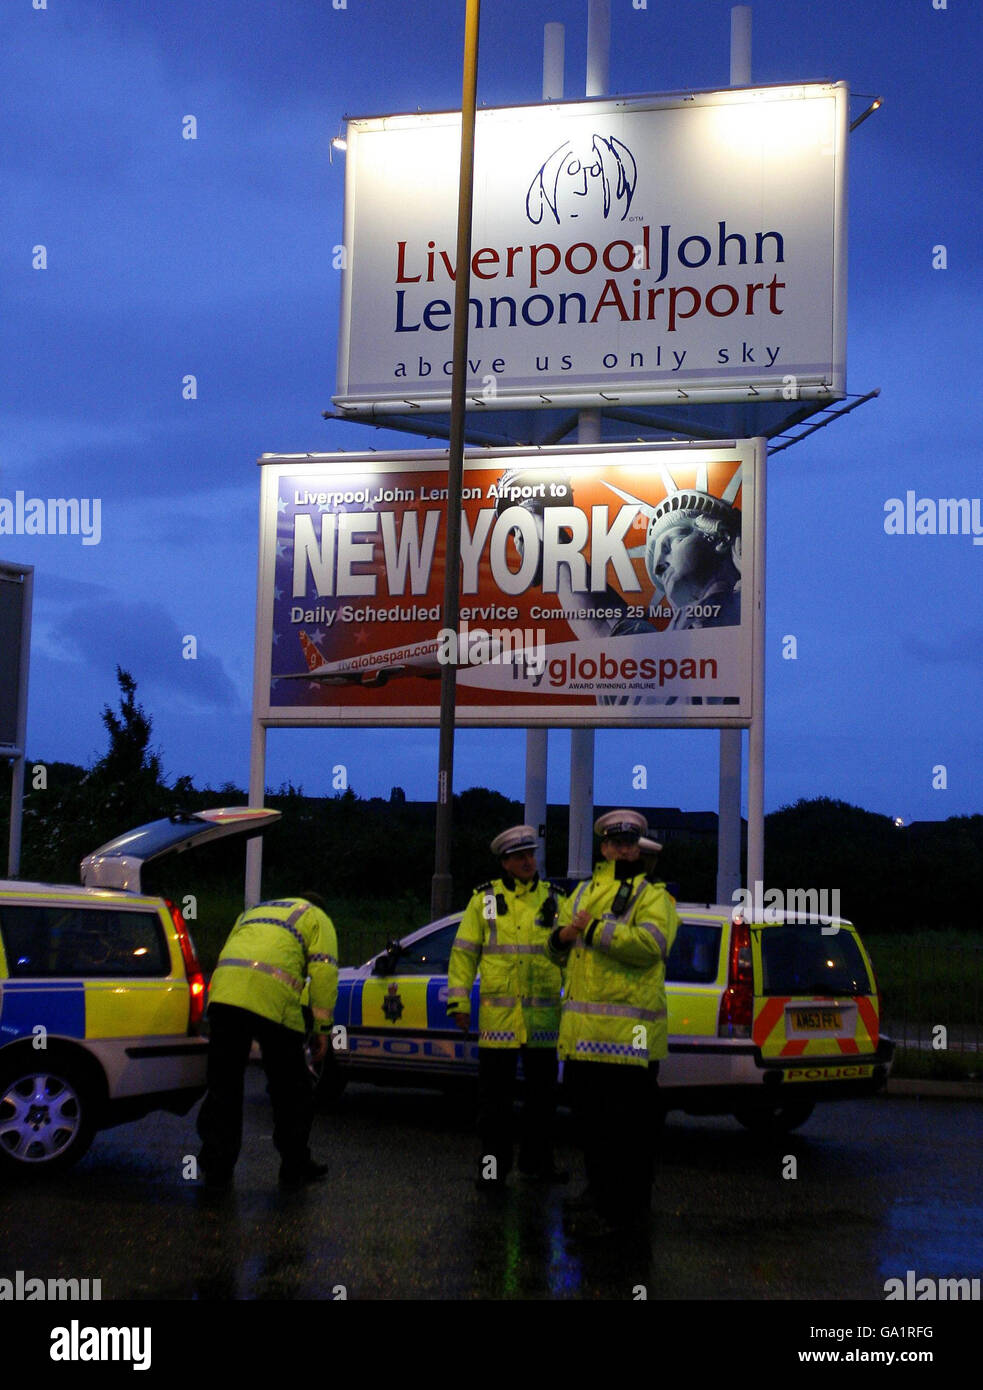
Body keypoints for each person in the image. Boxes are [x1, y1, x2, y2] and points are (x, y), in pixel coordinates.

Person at [548, 810, 679, 1238]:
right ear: (603, 846)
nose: (622, 849)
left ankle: (629, 1207)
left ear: (638, 848)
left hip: (632, 1041)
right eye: (615, 843)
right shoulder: (583, 891)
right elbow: (556, 940)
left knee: (631, 1132)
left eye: (629, 843)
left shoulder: (653, 895)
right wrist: (562, 937)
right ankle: (599, 1194)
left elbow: (651, 946)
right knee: (591, 1125)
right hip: (585, 1040)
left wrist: (592, 932)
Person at [447, 825, 566, 1190]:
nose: (528, 861)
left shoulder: (555, 899)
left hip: (542, 1020)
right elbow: (464, 954)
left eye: (531, 853)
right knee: (493, 1108)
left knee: (542, 1103)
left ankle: (537, 1164)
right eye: (519, 856)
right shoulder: (483, 899)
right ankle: (491, 1171)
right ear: (505, 863)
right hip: (499, 1021)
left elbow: (572, 956)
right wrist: (458, 1000)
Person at [197, 892, 338, 1190]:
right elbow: (324, 973)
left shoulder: (254, 912)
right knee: (291, 1088)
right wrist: (322, 1029)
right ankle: (294, 1164)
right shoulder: (317, 917)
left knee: (224, 1085)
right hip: (273, 1001)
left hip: (224, 996)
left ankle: (216, 1166)